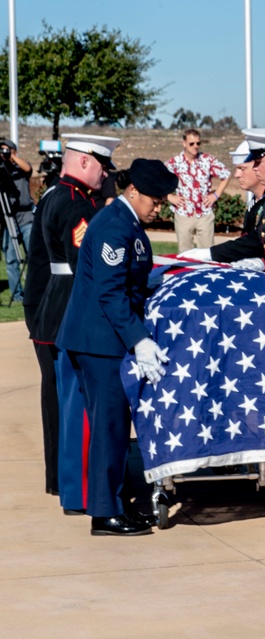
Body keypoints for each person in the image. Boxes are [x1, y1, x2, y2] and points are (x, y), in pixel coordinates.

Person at [56, 159, 178, 536]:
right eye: (155, 200)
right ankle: (105, 513)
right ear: (133, 192)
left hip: (104, 339)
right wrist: (139, 340)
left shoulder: (128, 222)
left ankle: (116, 502)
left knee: (114, 427)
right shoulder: (114, 226)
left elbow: (127, 277)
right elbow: (110, 293)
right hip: (99, 342)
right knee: (109, 429)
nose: (159, 207)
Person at [23, 134, 121, 508]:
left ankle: (60, 479)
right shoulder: (78, 205)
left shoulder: (52, 193)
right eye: (101, 167)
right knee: (74, 407)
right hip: (67, 313)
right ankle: (76, 486)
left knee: (57, 404)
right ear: (84, 162)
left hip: (49, 311)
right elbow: (87, 266)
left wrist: (35, 314)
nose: (105, 176)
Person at [178, 128, 265, 281]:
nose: (255, 168)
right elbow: (255, 240)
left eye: (259, 162)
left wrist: (264, 263)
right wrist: (210, 253)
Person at [165, 128, 231, 253]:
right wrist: (169, 197)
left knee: (207, 253)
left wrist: (216, 195)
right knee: (185, 254)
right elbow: (157, 178)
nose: (195, 146)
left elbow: (226, 174)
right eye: (191, 143)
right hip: (183, 212)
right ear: (184, 143)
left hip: (205, 213)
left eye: (198, 143)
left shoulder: (207, 160)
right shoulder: (175, 162)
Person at [0, 138, 34, 303]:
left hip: (26, 216)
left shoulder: (21, 167)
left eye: (7, 149)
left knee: (32, 255)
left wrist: (12, 157)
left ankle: (34, 290)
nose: (4, 153)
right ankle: (17, 294)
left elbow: (28, 168)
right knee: (11, 259)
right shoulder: (2, 170)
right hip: (9, 218)